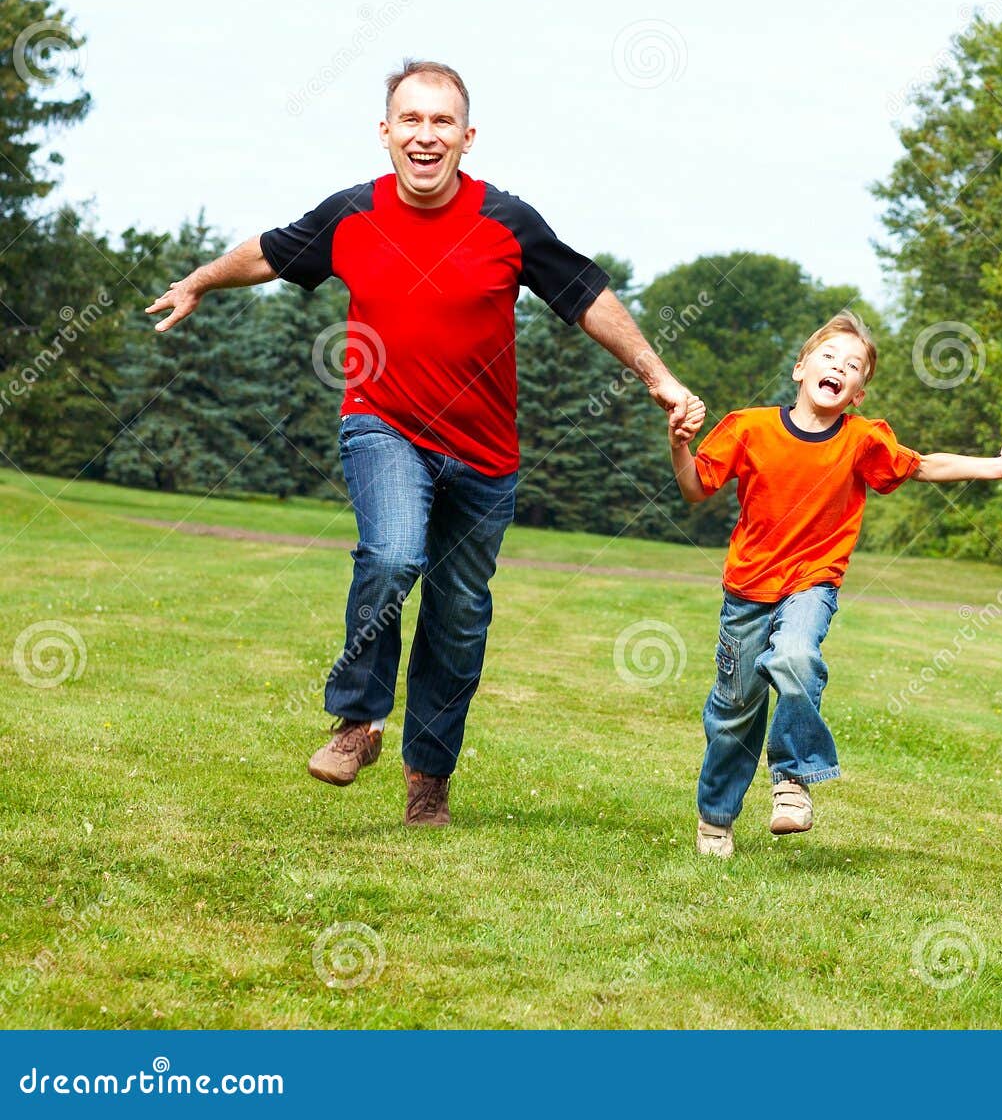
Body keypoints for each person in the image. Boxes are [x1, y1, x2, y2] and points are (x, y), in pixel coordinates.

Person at [146, 59, 704, 826]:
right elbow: (272, 250)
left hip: (484, 454)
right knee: (394, 554)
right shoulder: (353, 211)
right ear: (385, 134)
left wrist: (657, 376)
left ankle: (428, 780)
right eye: (411, 119)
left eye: (442, 122)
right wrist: (202, 280)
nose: (425, 135)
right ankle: (356, 721)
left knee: (459, 614)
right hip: (383, 424)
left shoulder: (508, 221)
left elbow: (585, 295)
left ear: (467, 138)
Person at [671, 311, 1002, 857]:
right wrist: (679, 446)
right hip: (747, 589)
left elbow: (925, 466)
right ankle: (716, 818)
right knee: (734, 710)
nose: (839, 367)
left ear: (857, 393)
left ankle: (792, 781)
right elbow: (695, 490)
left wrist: (998, 467)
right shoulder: (747, 427)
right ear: (800, 368)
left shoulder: (862, 441)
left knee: (796, 657)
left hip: (812, 582)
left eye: (853, 366)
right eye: (829, 357)